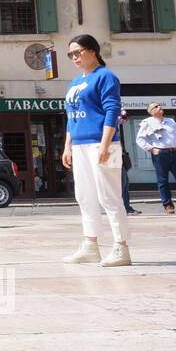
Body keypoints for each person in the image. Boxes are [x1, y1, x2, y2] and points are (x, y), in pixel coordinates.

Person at [61, 35, 131, 267]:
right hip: (80, 144)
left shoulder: (106, 77)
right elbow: (71, 117)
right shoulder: (74, 83)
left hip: (103, 144)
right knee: (84, 196)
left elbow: (112, 110)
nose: (74, 58)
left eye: (78, 52)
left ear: (93, 51)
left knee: (109, 195)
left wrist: (105, 143)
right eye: (71, 54)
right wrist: (67, 146)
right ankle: (91, 245)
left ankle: (121, 247)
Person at [135, 102, 176, 215]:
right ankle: (168, 205)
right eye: (155, 107)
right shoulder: (147, 123)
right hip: (160, 154)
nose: (159, 107)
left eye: (160, 105)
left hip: (175, 153)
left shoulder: (171, 121)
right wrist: (151, 149)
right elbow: (139, 139)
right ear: (150, 112)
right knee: (163, 181)